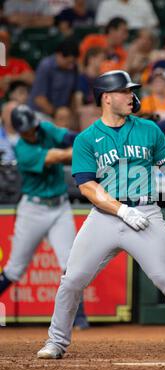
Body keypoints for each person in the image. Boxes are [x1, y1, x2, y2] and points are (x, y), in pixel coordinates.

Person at [37, 70, 165, 359]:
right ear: (107, 98)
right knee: (72, 279)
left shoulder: (149, 129)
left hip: (145, 212)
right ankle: (56, 342)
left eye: (131, 91)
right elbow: (88, 186)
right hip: (106, 215)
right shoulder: (86, 139)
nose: (131, 96)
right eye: (125, 91)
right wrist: (121, 210)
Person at [0, 104, 89, 329]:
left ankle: (78, 317)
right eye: (27, 129)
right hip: (33, 210)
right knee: (14, 269)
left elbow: (69, 137)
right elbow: (57, 156)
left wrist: (91, 138)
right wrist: (86, 149)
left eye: (33, 127)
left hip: (60, 206)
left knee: (71, 264)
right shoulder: (22, 149)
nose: (32, 132)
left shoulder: (44, 128)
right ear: (20, 131)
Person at [28, 39, 80, 116]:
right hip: (40, 113)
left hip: (62, 113)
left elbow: (72, 95)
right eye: (68, 62)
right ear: (59, 55)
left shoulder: (73, 68)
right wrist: (56, 114)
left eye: (73, 62)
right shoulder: (46, 66)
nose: (71, 66)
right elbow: (39, 99)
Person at [0, 31, 34, 99]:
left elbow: (32, 79)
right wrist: (19, 78)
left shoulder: (20, 63)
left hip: (19, 102)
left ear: (9, 44)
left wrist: (9, 79)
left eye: (4, 42)